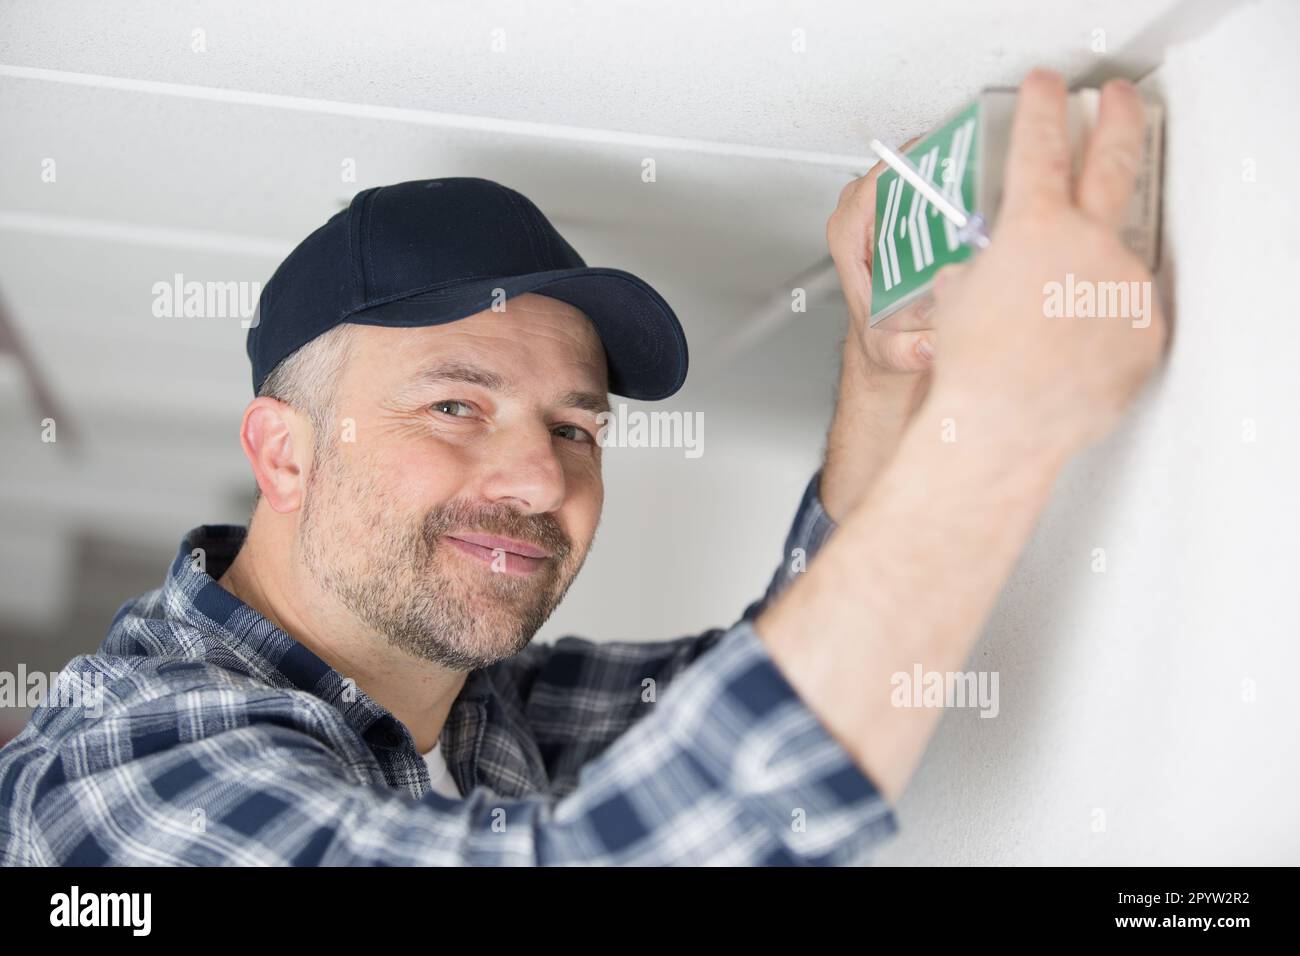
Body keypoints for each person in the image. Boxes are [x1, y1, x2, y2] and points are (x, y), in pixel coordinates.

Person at [0, 69, 1164, 865]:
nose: (543, 479)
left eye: (575, 426)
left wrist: (889, 366)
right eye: (457, 404)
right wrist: (1009, 418)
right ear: (284, 451)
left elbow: (792, 674)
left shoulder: (471, 706)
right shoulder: (123, 773)